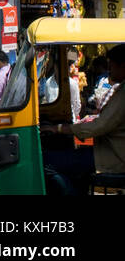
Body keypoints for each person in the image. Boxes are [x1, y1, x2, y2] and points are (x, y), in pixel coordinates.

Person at [46, 43, 125, 177]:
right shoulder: (120, 88)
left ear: (123, 66)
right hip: (106, 151)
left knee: (48, 162)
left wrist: (61, 128)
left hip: (112, 158)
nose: (109, 70)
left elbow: (101, 125)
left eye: (111, 65)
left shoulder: (123, 93)